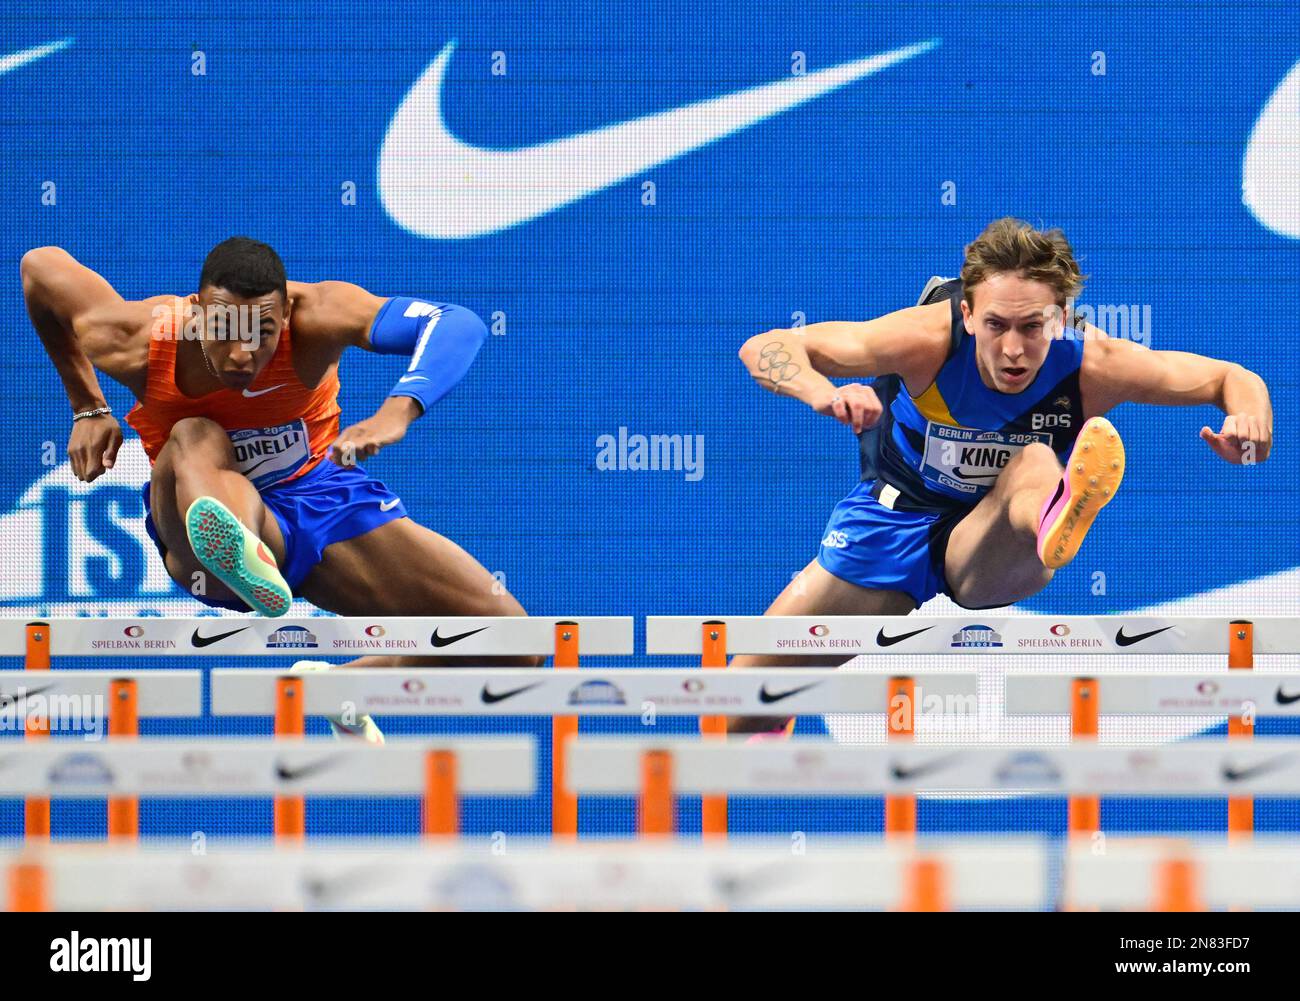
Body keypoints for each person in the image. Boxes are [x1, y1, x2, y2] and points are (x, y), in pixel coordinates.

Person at [732, 217, 1273, 736]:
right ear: (966, 314)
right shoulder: (923, 340)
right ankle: (777, 711)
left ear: (1059, 317)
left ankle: (1057, 516)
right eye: (995, 325)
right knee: (734, 704)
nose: (1013, 349)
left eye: (1032, 326)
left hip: (995, 545)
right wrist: (824, 393)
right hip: (892, 522)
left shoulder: (1095, 363)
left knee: (1037, 461)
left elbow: (1231, 377)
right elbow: (768, 346)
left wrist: (1251, 429)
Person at [22, 237, 536, 740]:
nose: (242, 355)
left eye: (262, 332)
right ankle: (238, 549)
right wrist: (87, 405)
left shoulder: (318, 315)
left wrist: (397, 412)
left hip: (315, 494)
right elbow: (40, 267)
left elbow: (454, 322)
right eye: (226, 329)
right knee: (195, 432)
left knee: (513, 642)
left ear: (286, 313)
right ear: (198, 310)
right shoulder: (137, 338)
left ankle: (342, 688)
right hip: (191, 510)